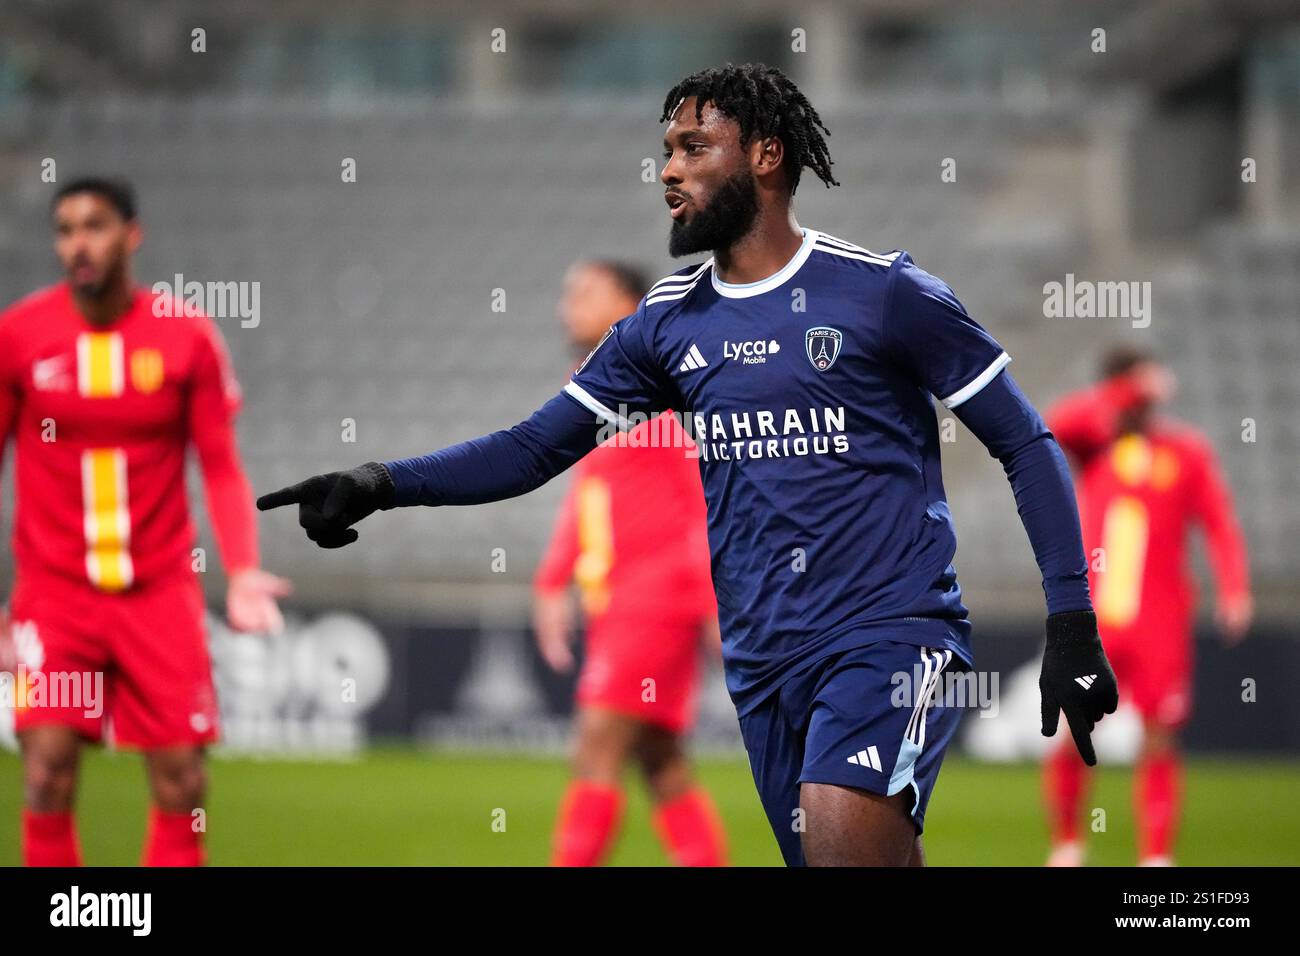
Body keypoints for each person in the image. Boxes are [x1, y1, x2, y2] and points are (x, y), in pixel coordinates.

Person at [259, 63, 1118, 866]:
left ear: (767, 156)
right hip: (762, 659)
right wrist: (379, 483)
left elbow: (1026, 442)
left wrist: (1071, 621)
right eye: (666, 151)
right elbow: (530, 450)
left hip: (888, 632)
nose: (668, 171)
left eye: (694, 148)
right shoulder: (665, 327)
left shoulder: (885, 294)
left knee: (838, 828)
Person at [0, 177, 290, 866]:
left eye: (94, 226)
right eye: (65, 229)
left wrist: (243, 571)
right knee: (44, 773)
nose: (78, 243)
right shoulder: (19, 336)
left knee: (183, 781)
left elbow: (221, 465)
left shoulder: (186, 337)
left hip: (160, 594)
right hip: (55, 594)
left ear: (131, 236)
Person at [534, 259, 726, 867]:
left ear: (627, 301)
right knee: (661, 764)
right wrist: (552, 579)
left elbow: (704, 500)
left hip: (656, 601)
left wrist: (714, 604)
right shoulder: (595, 380)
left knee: (595, 751)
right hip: (623, 601)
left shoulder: (659, 381)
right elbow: (589, 492)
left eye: (584, 291)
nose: (569, 304)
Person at [1042, 346, 1251, 866]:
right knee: (1075, 729)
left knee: (1159, 737)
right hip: (1096, 624)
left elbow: (1219, 524)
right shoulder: (1095, 445)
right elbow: (1054, 422)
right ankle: (1069, 844)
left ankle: (1155, 858)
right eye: (1132, 390)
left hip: (1160, 621)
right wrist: (1129, 388)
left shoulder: (1186, 451)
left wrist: (1234, 588)